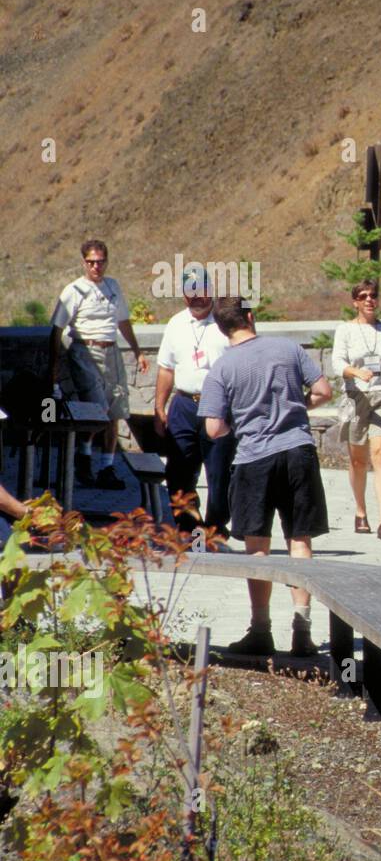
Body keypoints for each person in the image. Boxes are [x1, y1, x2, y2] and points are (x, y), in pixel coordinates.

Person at [198, 296, 334, 657]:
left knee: (257, 547)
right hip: (298, 452)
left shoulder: (222, 369)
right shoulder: (288, 348)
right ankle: (302, 628)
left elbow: (213, 428)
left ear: (221, 327)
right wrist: (298, 408)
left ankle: (261, 629)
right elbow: (324, 391)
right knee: (299, 540)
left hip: (253, 460)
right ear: (250, 316)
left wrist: (238, 425)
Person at [51, 239, 148, 490]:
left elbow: (123, 321)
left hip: (111, 350)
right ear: (84, 262)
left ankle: (106, 466)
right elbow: (57, 329)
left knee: (115, 411)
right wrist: (52, 368)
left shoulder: (113, 287)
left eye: (100, 262)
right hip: (85, 351)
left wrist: (137, 351)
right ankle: (83, 458)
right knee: (98, 410)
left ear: (106, 261)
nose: (96, 267)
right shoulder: (73, 290)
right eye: (91, 262)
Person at [153, 266, 235, 539]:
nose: (197, 297)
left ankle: (215, 525)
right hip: (184, 405)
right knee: (178, 470)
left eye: (201, 290)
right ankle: (188, 524)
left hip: (219, 405)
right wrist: (159, 407)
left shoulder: (225, 321)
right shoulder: (176, 323)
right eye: (190, 292)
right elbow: (166, 369)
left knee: (220, 471)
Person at [332, 278, 381, 540]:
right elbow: (337, 363)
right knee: (358, 459)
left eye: (373, 295)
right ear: (355, 302)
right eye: (363, 296)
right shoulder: (345, 330)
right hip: (355, 397)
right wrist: (356, 372)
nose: (369, 300)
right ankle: (360, 511)